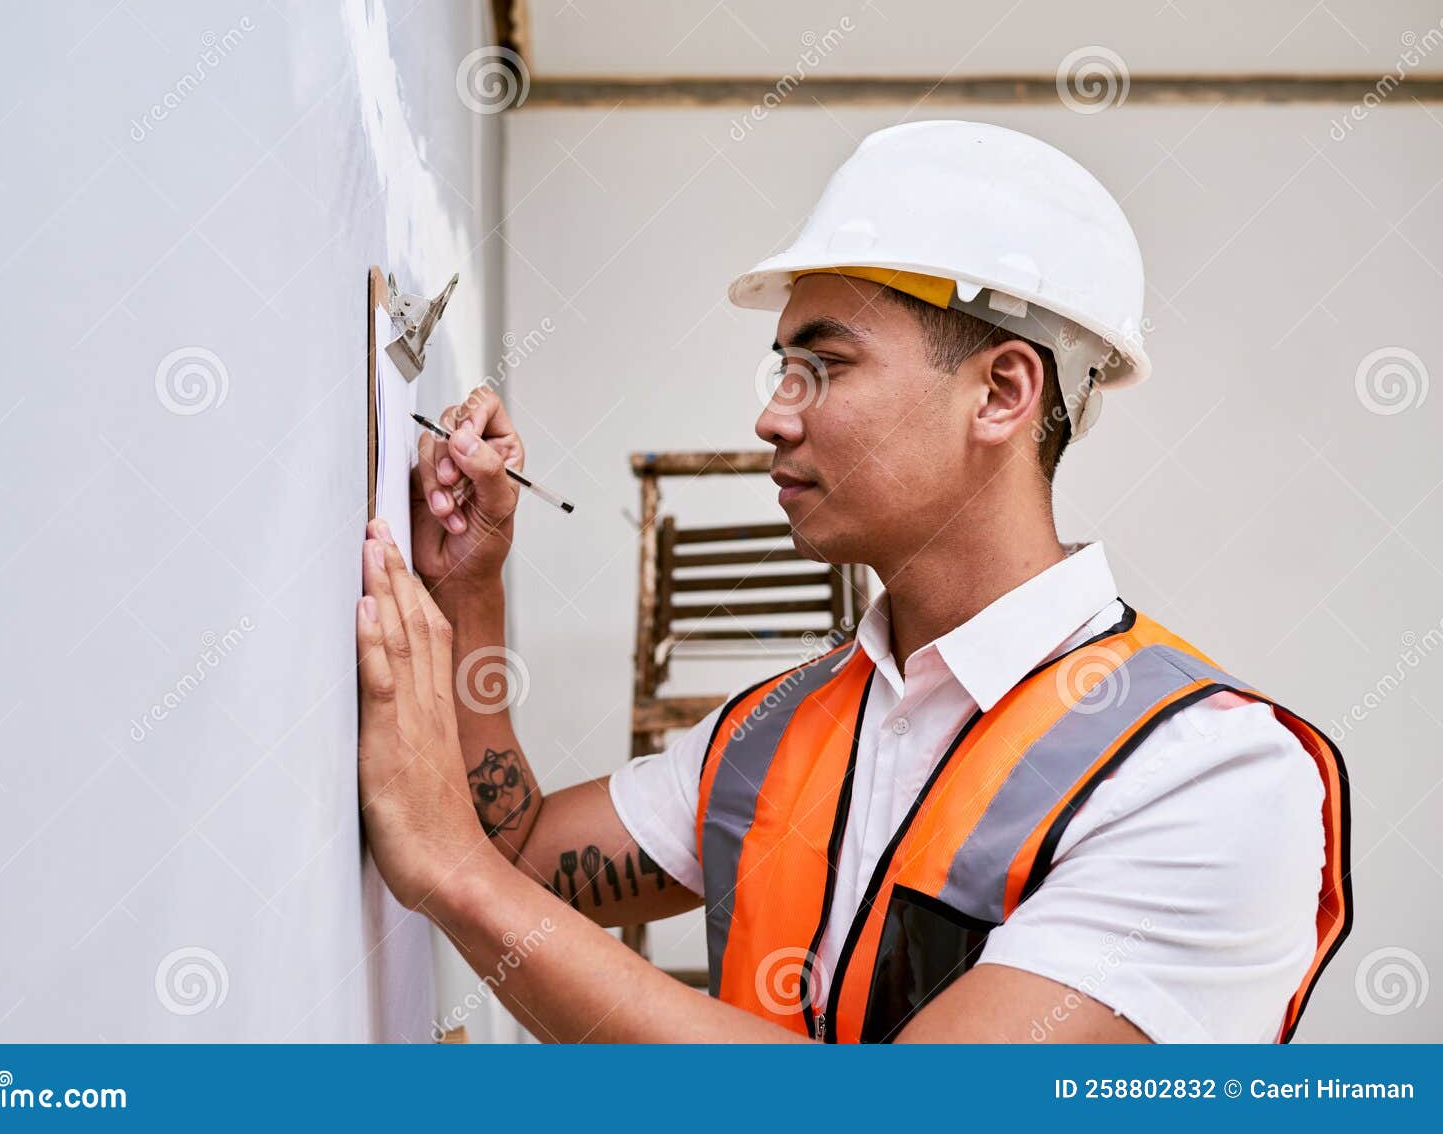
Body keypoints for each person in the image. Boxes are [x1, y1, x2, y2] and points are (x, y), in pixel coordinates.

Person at [353, 121, 1350, 1044]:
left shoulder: (1205, 775)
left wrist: (452, 873)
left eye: (823, 366)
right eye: (781, 370)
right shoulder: (776, 732)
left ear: (1001, 393)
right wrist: (470, 588)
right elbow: (525, 863)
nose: (772, 417)